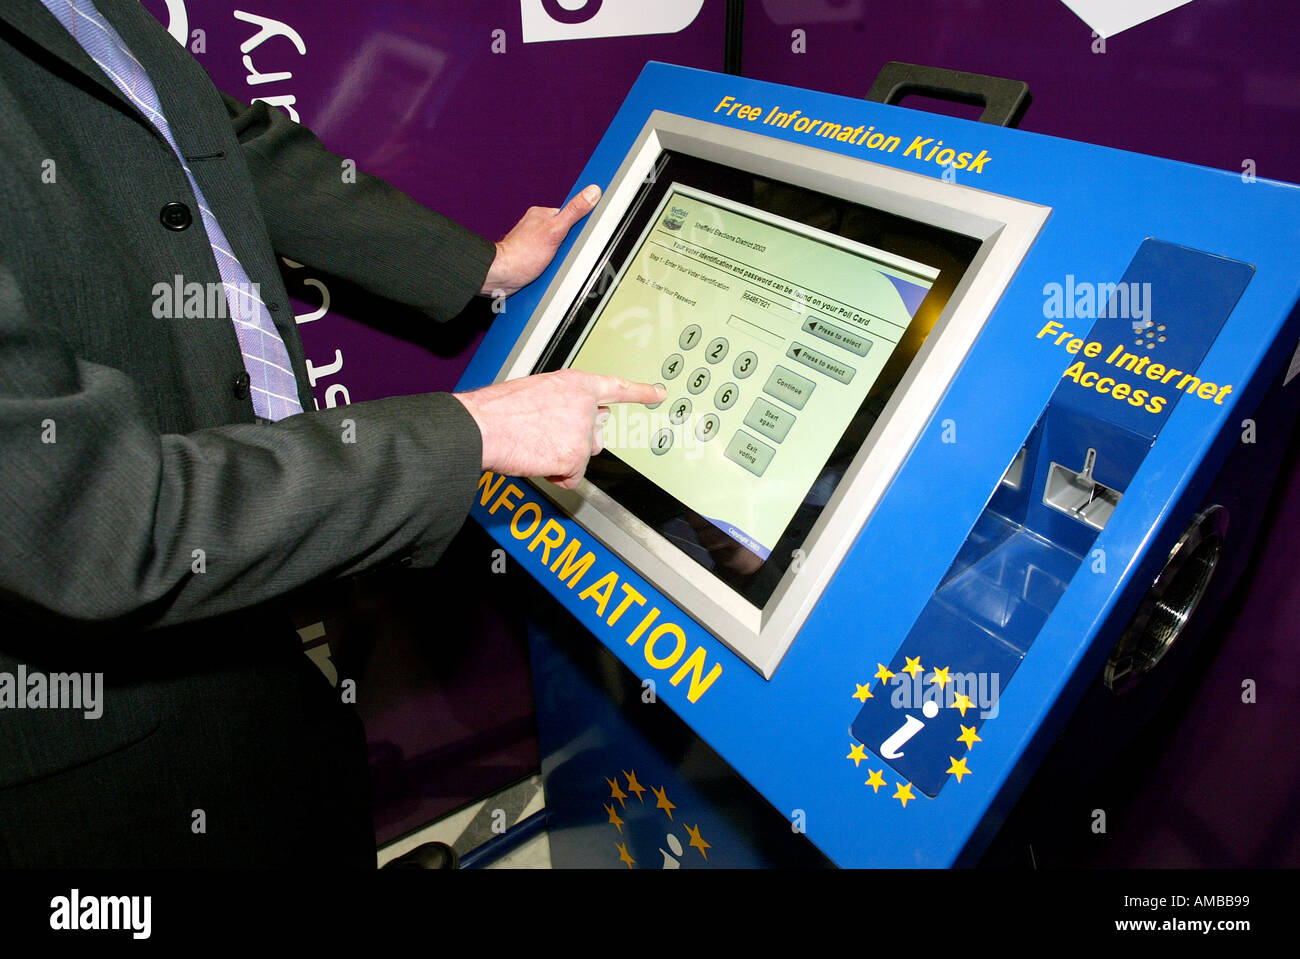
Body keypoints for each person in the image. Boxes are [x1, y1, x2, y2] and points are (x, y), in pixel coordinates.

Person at [0, 0, 661, 867]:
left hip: (238, 614)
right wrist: (464, 432)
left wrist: (478, 265)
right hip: (93, 759)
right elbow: (92, 520)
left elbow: (211, 141)